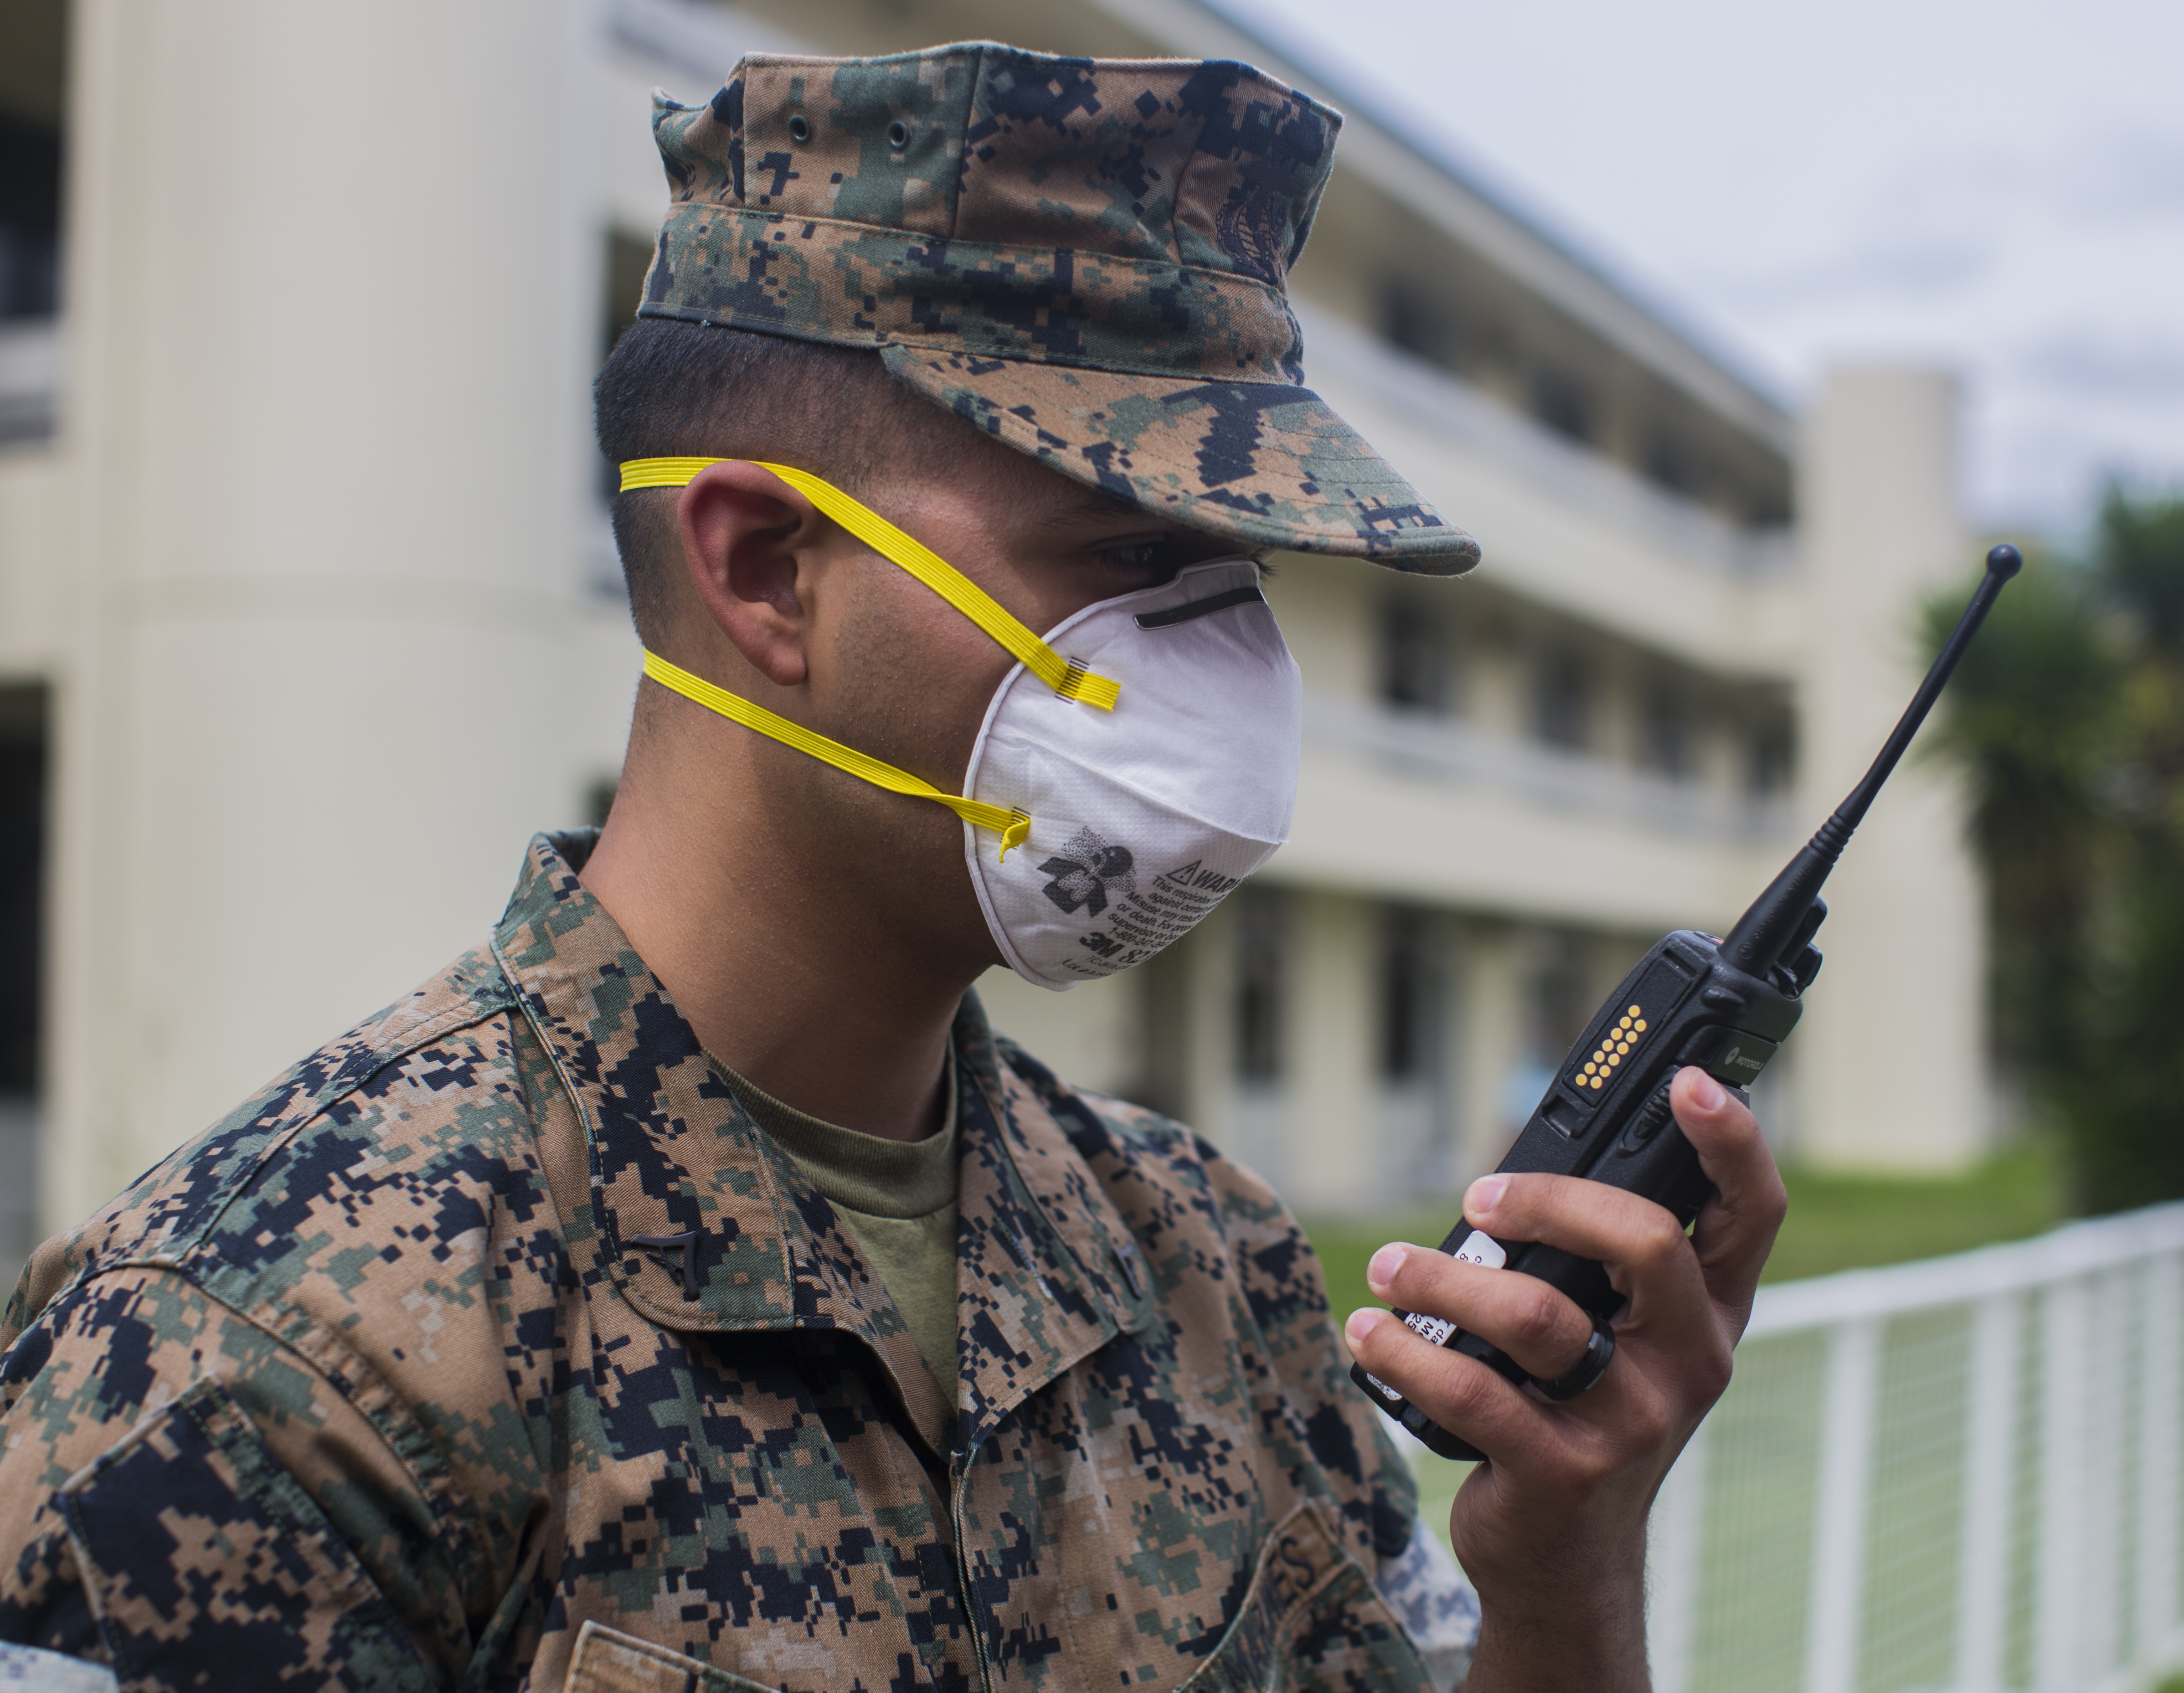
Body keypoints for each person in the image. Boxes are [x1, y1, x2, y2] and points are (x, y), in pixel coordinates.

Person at [0, 43, 1783, 1693]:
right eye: (1122, 549)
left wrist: (1558, 1559)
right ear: (768, 568)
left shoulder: (1205, 1260)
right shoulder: (262, 1361)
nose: (1224, 662)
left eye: (1233, 573)